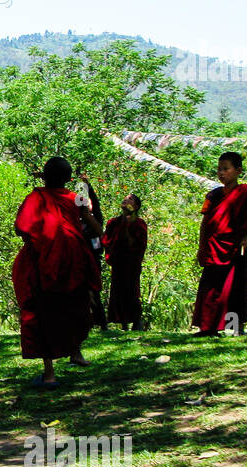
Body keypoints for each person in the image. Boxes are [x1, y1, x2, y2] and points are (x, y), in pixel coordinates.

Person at [12, 157, 102, 388]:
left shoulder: (36, 198)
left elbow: (20, 228)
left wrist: (41, 238)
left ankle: (49, 373)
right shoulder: (75, 198)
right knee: (74, 306)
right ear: (67, 179)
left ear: (45, 176)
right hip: (74, 259)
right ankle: (76, 352)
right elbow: (94, 224)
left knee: (44, 312)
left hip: (45, 260)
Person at [193, 151, 247, 336]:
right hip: (213, 247)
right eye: (219, 169)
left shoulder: (246, 193)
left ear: (238, 170)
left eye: (226, 169)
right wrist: (201, 247)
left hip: (236, 248)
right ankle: (207, 328)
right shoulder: (213, 195)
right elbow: (205, 223)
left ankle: (234, 327)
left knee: (235, 289)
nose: (221, 173)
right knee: (210, 289)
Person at [102, 194, 149, 331]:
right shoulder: (113, 222)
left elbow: (136, 244)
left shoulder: (138, 223)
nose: (125, 199)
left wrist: (128, 225)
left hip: (131, 263)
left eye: (130, 199)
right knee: (117, 291)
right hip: (118, 262)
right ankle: (122, 323)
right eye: (125, 198)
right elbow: (106, 240)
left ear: (136, 206)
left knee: (131, 290)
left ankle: (136, 320)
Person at [78, 173, 110, 332]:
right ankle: (85, 323)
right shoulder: (76, 222)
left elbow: (95, 204)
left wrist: (86, 185)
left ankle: (102, 323)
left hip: (94, 259)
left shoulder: (95, 219)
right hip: (78, 261)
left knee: (95, 291)